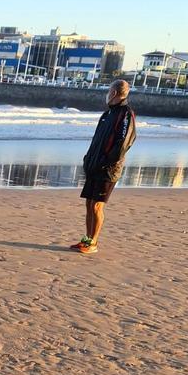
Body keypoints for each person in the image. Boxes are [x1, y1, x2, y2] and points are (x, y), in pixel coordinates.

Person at [71, 79, 137, 254]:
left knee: (97, 206)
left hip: (108, 170)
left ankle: (93, 243)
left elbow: (123, 144)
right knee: (88, 204)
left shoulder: (126, 114)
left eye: (109, 91)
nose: (107, 94)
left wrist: (105, 162)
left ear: (114, 93)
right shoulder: (107, 114)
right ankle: (87, 239)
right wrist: (88, 159)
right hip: (94, 166)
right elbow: (97, 140)